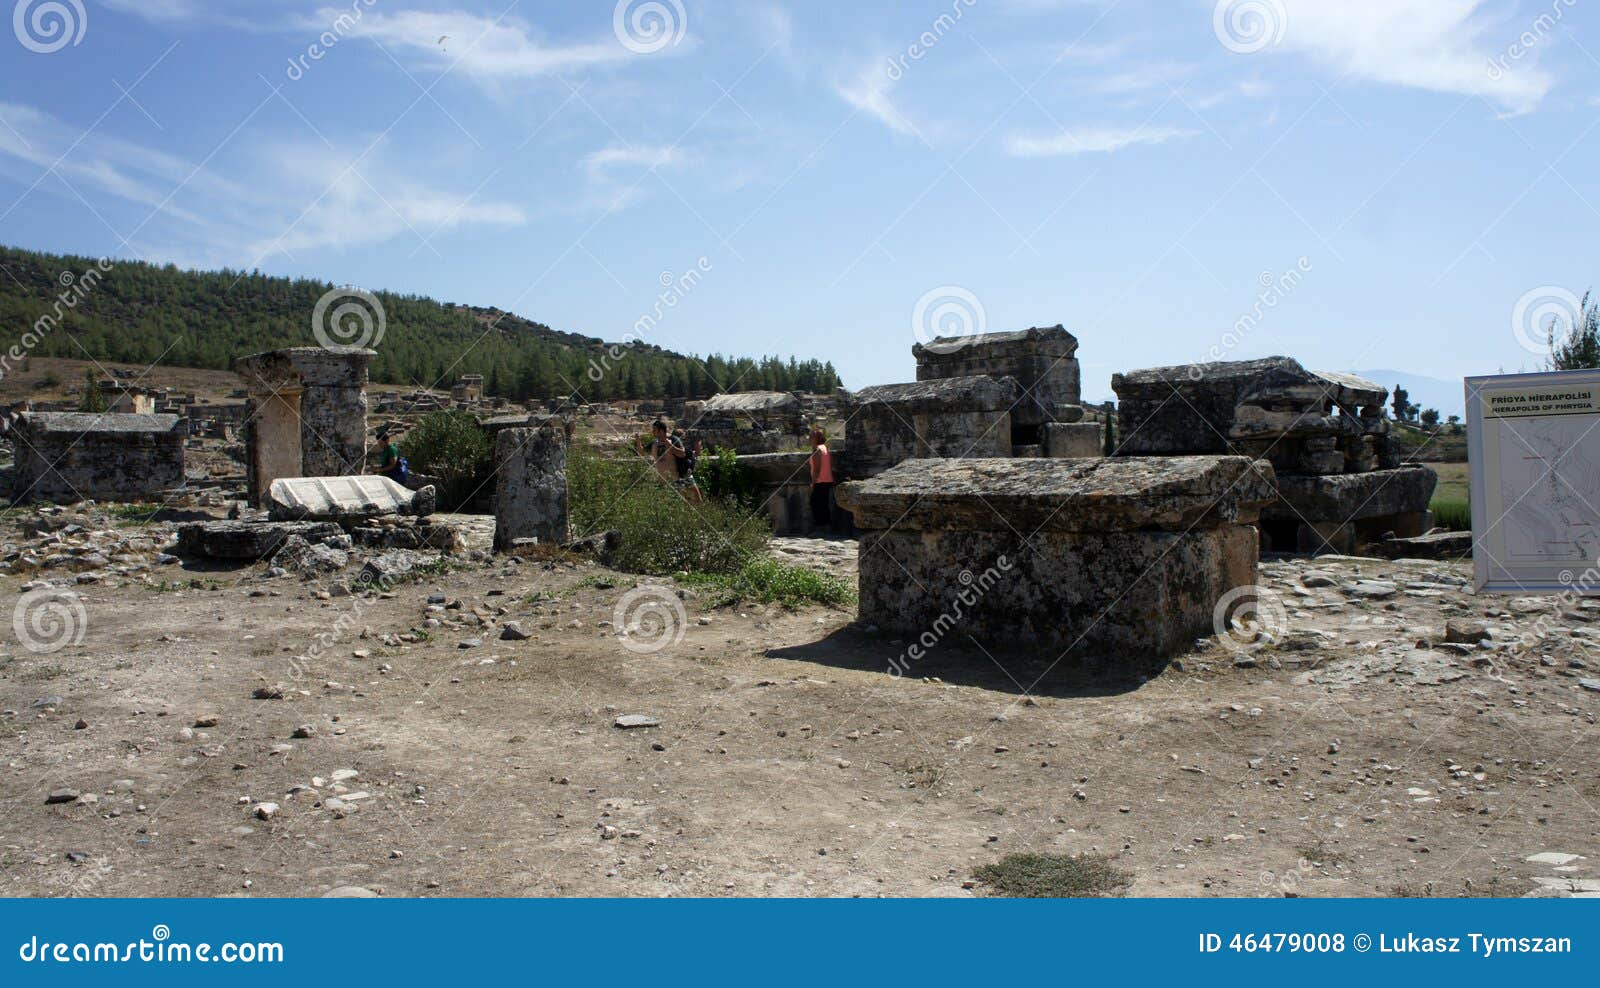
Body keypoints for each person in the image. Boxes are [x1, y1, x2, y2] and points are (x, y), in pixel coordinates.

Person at [635, 420, 701, 505]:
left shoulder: (674, 439)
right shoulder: (654, 442)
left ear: (661, 431)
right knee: (675, 505)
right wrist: (638, 440)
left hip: (681, 477)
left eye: (654, 430)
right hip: (665, 481)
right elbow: (641, 453)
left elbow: (682, 454)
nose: (653, 432)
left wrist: (670, 446)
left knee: (697, 501)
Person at [808, 426, 834, 532]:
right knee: (824, 504)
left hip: (819, 480)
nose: (809, 439)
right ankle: (826, 526)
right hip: (827, 479)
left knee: (815, 504)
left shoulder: (817, 450)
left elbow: (816, 469)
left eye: (811, 437)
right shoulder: (825, 448)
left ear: (816, 438)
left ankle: (819, 527)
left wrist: (813, 483)